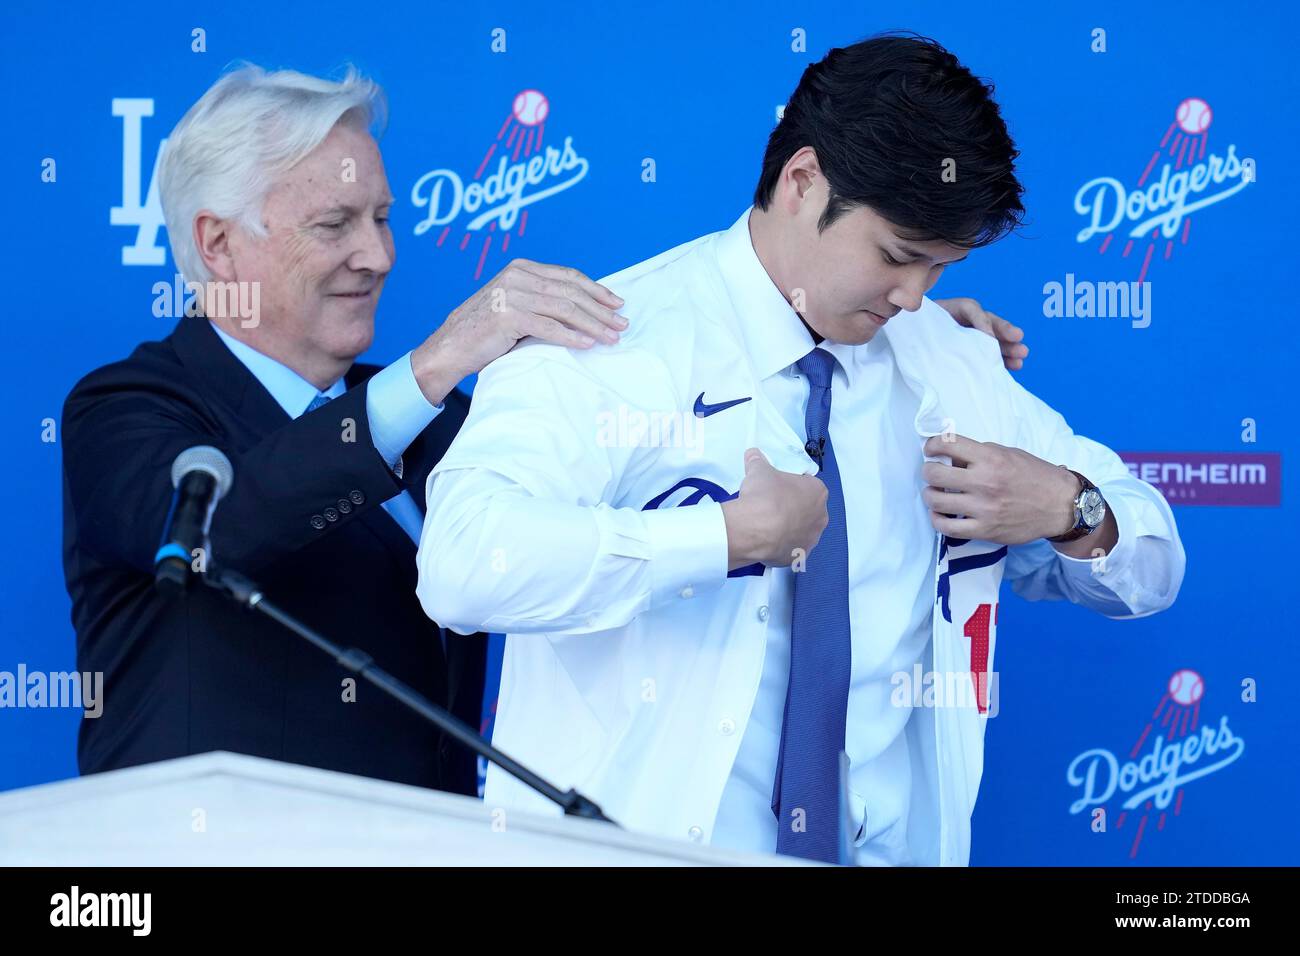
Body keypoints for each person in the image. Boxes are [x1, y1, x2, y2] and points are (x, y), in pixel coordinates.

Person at [415, 33, 1186, 863]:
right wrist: (720, 538)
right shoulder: (604, 339)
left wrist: (1070, 507)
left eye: (939, 267)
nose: (912, 296)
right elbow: (462, 566)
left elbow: (1151, 564)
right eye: (897, 256)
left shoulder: (951, 360)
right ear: (802, 181)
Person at [61, 64, 627, 792]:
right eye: (335, 224)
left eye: (383, 218)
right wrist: (432, 366)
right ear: (218, 244)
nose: (380, 257)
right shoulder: (127, 408)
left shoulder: (441, 421)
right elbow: (215, 534)